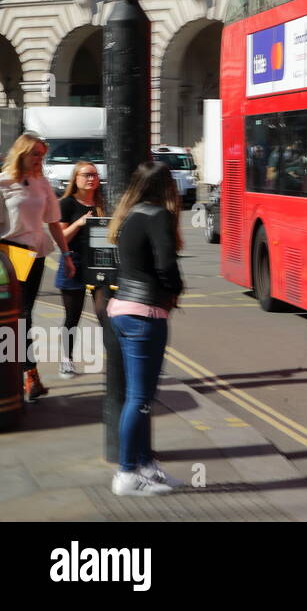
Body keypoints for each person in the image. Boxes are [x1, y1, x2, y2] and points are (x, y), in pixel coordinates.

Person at [106, 161, 186, 496]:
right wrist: (175, 290)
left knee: (139, 397)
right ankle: (127, 474)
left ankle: (144, 465)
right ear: (167, 189)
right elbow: (167, 264)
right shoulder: (158, 216)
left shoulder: (130, 216)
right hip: (145, 315)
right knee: (140, 397)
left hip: (124, 312)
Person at [1, 133, 75, 403]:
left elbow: (54, 221)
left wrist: (66, 255)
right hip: (10, 254)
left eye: (42, 155)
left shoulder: (41, 183)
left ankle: (27, 375)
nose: (39, 160)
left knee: (24, 315)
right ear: (22, 153)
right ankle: (27, 374)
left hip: (35, 254)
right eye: (35, 154)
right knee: (19, 317)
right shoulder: (3, 182)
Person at [56, 161, 106, 378]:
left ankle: (115, 361)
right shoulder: (66, 204)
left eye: (94, 175)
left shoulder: (103, 202)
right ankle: (66, 359)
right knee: (72, 317)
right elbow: (61, 238)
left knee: (105, 314)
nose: (91, 178)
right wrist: (79, 224)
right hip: (73, 263)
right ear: (75, 179)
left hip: (100, 265)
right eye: (86, 175)